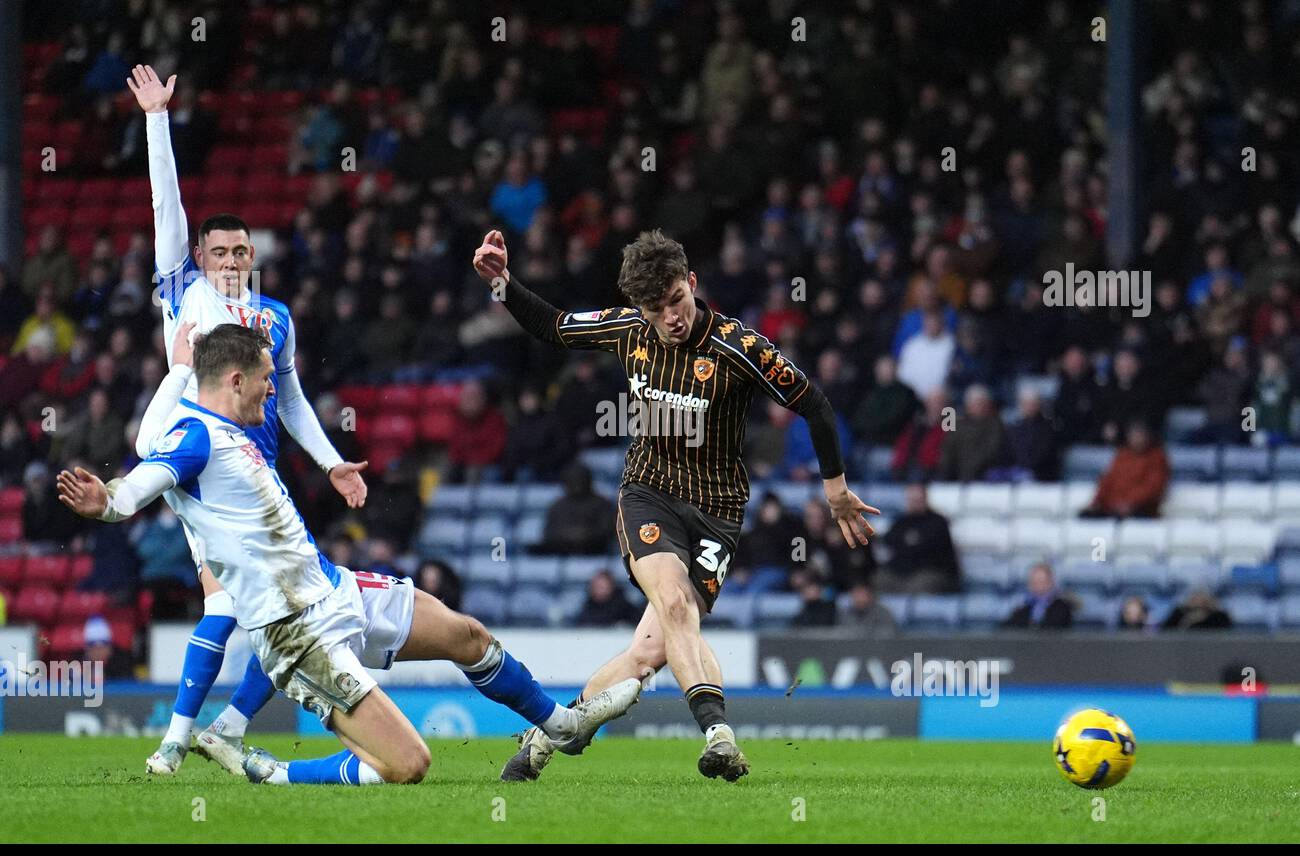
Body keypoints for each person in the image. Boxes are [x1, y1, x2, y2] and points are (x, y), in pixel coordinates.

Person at [58, 324, 640, 786]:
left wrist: (181, 363)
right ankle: (273, 773)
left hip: (333, 587)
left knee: (468, 637)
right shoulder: (197, 439)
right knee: (409, 765)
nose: (273, 389)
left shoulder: (199, 425)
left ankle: (560, 726)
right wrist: (107, 501)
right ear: (235, 380)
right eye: (265, 378)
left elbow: (147, 435)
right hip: (296, 633)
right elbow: (137, 486)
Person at [475, 227, 878, 782]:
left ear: (692, 283)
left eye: (676, 301)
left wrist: (834, 488)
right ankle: (718, 735)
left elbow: (815, 404)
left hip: (717, 511)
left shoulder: (739, 348)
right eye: (655, 308)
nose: (670, 318)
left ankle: (544, 742)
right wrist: (503, 284)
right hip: (650, 494)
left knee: (646, 655)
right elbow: (554, 325)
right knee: (676, 605)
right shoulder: (627, 331)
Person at [127, 65, 369, 777]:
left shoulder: (275, 318)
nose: (230, 261)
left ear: (253, 257)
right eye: (219, 251)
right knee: (241, 601)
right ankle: (189, 737)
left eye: (241, 251)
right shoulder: (184, 290)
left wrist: (330, 462)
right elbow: (163, 204)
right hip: (199, 461)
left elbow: (291, 402)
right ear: (200, 258)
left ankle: (203, 734)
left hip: (256, 476)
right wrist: (156, 121)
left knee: (281, 606)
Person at [874, 484, 960, 594]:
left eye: (917, 500)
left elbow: (931, 550)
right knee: (880, 579)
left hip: (931, 571)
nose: (914, 503)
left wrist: (908, 545)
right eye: (911, 500)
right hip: (902, 572)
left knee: (920, 585)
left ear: (925, 499)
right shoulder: (901, 522)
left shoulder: (938, 522)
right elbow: (889, 542)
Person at [1080, 421, 1170, 519]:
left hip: (1141, 509)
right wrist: (1097, 502)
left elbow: (1153, 488)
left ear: (1148, 437)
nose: (1136, 439)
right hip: (1113, 507)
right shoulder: (1122, 455)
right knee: (1087, 515)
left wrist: (1129, 503)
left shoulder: (1157, 457)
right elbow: (1108, 480)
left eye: (1140, 435)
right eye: (1134, 435)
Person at [1001, 564, 1073, 629]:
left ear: (1051, 582)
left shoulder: (1062, 607)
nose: (1037, 586)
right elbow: (1007, 628)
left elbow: (1055, 628)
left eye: (1041, 581)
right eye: (1034, 582)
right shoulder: (1023, 609)